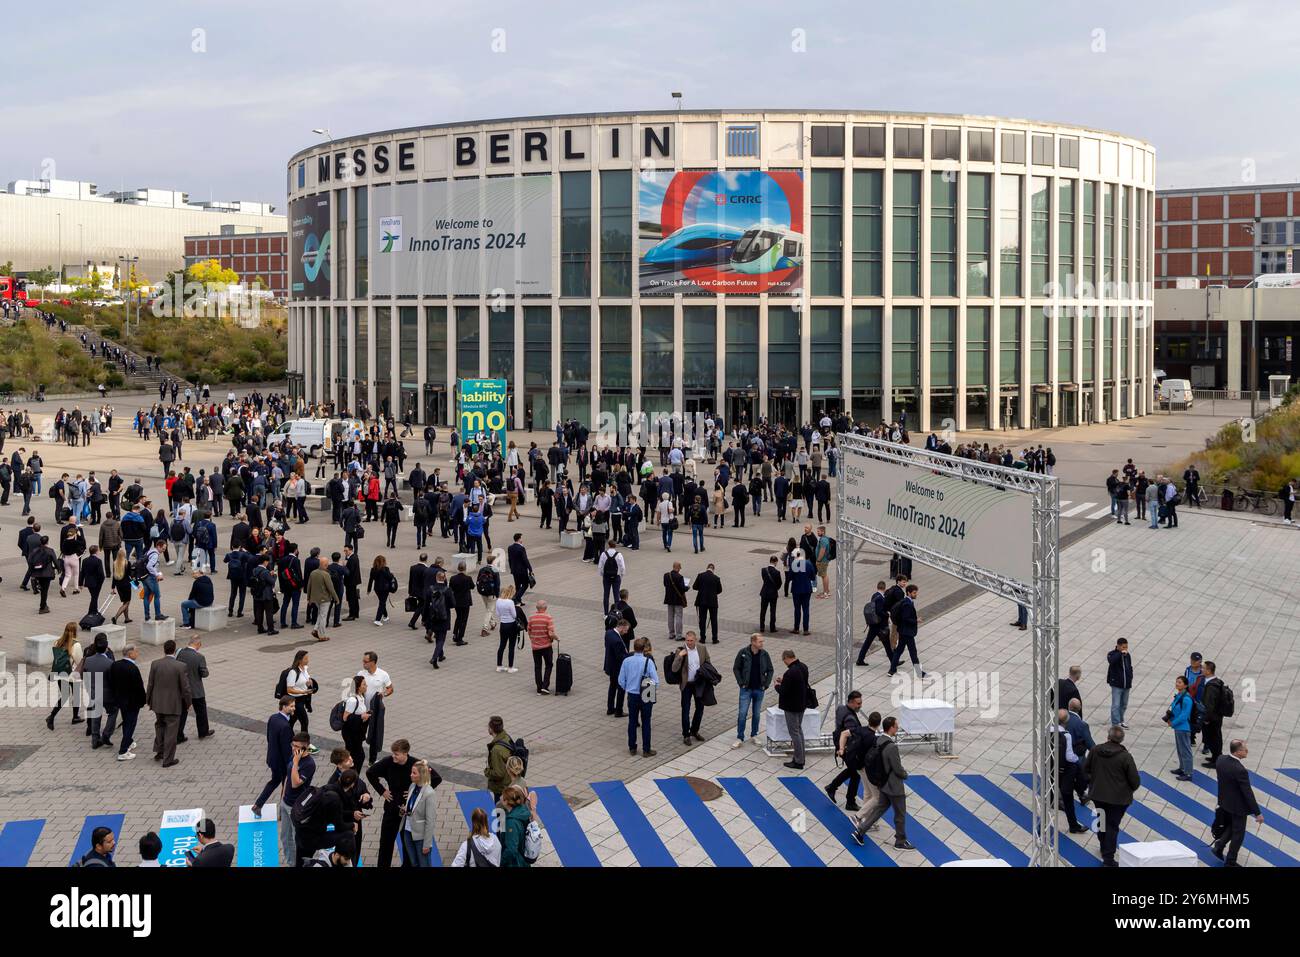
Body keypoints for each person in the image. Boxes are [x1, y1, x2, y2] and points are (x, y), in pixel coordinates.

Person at [850, 716, 916, 850]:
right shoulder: (891, 747)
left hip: (883, 784)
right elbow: (897, 769)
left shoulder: (878, 740)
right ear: (891, 728)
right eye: (896, 726)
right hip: (894, 786)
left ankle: (860, 831)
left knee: (879, 809)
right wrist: (905, 774)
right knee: (900, 814)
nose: (897, 728)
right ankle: (900, 841)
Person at [1083, 725, 1140, 867]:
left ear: (1108, 736)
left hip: (1098, 795)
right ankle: (1108, 859)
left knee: (1101, 820)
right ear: (1122, 739)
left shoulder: (1096, 750)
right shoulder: (1125, 757)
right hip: (1118, 799)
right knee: (1112, 826)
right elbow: (1135, 780)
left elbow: (1086, 769)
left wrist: (1093, 782)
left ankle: (1103, 845)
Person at [365, 739, 419, 868]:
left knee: (407, 844)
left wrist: (417, 791)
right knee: (385, 843)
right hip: (391, 808)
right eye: (393, 753)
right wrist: (382, 790)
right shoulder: (388, 762)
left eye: (397, 754)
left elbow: (435, 778)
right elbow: (370, 773)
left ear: (405, 753)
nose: (393, 756)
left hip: (409, 811)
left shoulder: (415, 764)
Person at [1212, 740, 1263, 867]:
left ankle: (1219, 845)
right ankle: (1230, 861)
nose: (1247, 751)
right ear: (1238, 751)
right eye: (1245, 749)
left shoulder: (1221, 759)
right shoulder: (1240, 770)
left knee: (1232, 827)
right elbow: (1247, 792)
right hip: (1238, 807)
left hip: (1224, 802)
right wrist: (1257, 813)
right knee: (1238, 834)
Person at [146, 638, 191, 768]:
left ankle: (159, 752)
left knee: (159, 727)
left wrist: (148, 700)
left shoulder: (155, 664)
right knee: (171, 732)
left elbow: (150, 684)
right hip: (173, 705)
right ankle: (168, 760)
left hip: (157, 703)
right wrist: (188, 703)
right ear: (174, 650)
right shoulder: (181, 666)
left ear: (164, 650)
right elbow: (185, 688)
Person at [252, 696, 296, 817]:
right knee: (286, 785)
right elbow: (286, 749)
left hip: (272, 758)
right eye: (291, 706)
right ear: (284, 707)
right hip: (281, 762)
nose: (294, 708)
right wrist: (291, 764)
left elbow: (268, 737)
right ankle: (282, 813)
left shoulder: (273, 718)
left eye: (294, 705)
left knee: (274, 781)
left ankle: (258, 805)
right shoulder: (285, 726)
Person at [824, 691, 865, 811]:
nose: (860, 706)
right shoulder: (850, 719)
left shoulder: (841, 708)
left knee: (852, 772)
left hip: (841, 747)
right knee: (855, 774)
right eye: (858, 703)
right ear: (851, 702)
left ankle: (833, 787)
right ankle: (849, 801)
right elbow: (851, 735)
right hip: (847, 750)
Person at [105, 644, 146, 761]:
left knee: (126, 722)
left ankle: (130, 741)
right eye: (136, 651)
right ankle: (123, 751)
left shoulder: (115, 665)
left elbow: (111, 681)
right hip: (133, 702)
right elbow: (139, 687)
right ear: (130, 653)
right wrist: (143, 701)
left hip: (121, 701)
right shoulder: (133, 668)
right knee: (130, 724)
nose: (138, 653)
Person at [618, 637, 658, 757]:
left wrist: (628, 687)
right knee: (646, 722)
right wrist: (651, 690)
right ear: (644, 649)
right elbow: (655, 680)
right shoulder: (648, 661)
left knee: (632, 722)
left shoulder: (627, 661)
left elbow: (621, 680)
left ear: (634, 648)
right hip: (646, 694)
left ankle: (632, 747)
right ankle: (646, 749)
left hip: (632, 695)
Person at [280, 732, 316, 866]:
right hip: (286, 803)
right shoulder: (294, 755)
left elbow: (295, 783)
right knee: (285, 837)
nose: (294, 748)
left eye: (297, 747)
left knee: (298, 840)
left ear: (305, 748)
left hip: (297, 807)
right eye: (293, 745)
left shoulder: (309, 764)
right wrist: (282, 798)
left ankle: (302, 863)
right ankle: (291, 863)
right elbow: (288, 778)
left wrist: (295, 763)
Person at [671, 630, 712, 745]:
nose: (689, 643)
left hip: (699, 683)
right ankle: (686, 734)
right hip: (687, 685)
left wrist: (704, 672)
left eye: (691, 641)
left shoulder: (702, 648)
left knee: (700, 708)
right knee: (685, 709)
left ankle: (694, 730)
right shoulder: (680, 650)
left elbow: (708, 661)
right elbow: (674, 668)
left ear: (696, 640)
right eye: (687, 640)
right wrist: (679, 656)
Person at [398, 759, 441, 867]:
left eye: (414, 773)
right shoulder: (412, 786)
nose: (411, 775)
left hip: (420, 836)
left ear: (421, 775)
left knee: (424, 864)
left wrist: (427, 844)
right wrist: (405, 809)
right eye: (411, 772)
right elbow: (412, 807)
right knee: (414, 863)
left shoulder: (429, 793)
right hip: (407, 831)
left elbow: (430, 821)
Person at [774, 649, 810, 769]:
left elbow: (783, 691)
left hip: (791, 706)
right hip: (802, 704)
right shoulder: (803, 667)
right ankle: (801, 757)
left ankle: (799, 761)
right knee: (799, 731)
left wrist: (777, 686)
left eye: (783, 660)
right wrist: (784, 682)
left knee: (794, 733)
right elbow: (798, 683)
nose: (784, 662)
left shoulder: (790, 672)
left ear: (786, 658)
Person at [46, 623, 83, 729]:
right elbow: (79, 661)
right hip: (72, 674)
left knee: (65, 696)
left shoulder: (57, 642)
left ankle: (52, 716)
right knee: (76, 695)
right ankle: (75, 717)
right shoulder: (76, 645)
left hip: (59, 673)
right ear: (75, 631)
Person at [359, 651, 393, 764]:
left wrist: (384, 694)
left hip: (375, 711)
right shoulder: (360, 673)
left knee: (374, 735)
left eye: (365, 661)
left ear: (373, 662)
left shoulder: (383, 674)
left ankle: (372, 761)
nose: (363, 663)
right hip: (362, 711)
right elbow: (354, 688)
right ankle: (356, 756)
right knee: (359, 734)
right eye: (363, 661)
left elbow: (390, 688)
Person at [176, 637, 212, 742]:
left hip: (182, 689)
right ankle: (203, 732)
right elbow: (204, 673)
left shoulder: (180, 653)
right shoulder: (199, 657)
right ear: (198, 645)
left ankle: (179, 735)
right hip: (196, 690)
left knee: (182, 713)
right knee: (200, 711)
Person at [886, 583, 924, 678]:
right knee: (913, 653)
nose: (916, 594)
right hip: (907, 632)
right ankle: (919, 673)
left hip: (903, 631)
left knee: (899, 650)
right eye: (914, 593)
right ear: (908, 593)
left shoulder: (906, 601)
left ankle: (892, 670)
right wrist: (916, 620)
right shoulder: (907, 604)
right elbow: (906, 618)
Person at [499, 785, 538, 868]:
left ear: (506, 801)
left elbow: (511, 850)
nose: (500, 797)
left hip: (515, 863)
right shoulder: (522, 810)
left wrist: (500, 862)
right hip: (523, 860)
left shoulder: (511, 822)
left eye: (503, 796)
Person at [526, 598, 558, 694]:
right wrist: (556, 638)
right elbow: (551, 633)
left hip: (535, 647)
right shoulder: (548, 618)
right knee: (549, 665)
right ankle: (545, 686)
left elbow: (529, 630)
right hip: (546, 646)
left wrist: (533, 639)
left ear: (536, 607)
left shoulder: (531, 618)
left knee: (537, 666)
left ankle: (539, 688)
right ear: (546, 608)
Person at [1166, 674, 1195, 781]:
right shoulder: (1179, 695)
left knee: (1185, 750)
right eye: (1176, 682)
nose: (1177, 684)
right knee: (1180, 749)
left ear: (1185, 685)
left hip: (1183, 727)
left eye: (1180, 682)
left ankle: (1188, 773)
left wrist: (1173, 723)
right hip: (1178, 727)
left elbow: (1184, 715)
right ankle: (1182, 768)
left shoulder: (1186, 699)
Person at [1200, 660, 1228, 767]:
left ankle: (1217, 760)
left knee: (1213, 737)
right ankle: (1215, 757)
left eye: (1203, 668)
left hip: (1213, 718)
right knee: (1215, 736)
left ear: (1208, 671)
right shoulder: (1216, 682)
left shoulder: (1211, 686)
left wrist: (1206, 718)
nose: (1201, 669)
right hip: (1216, 716)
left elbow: (1209, 704)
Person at [340, 675, 370, 772]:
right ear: (358, 687)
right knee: (358, 756)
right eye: (364, 684)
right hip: (351, 734)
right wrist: (361, 717)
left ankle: (349, 774)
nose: (366, 686)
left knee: (355, 756)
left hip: (357, 732)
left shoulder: (361, 697)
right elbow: (345, 717)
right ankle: (351, 775)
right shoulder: (352, 700)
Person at [306, 556, 339, 642]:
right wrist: (336, 598)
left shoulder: (313, 573)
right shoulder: (325, 574)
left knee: (320, 614)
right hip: (324, 599)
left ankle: (315, 630)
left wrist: (308, 598)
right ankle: (322, 635)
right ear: (325, 565)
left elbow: (309, 586)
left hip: (315, 599)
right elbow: (331, 588)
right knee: (323, 616)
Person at [603, 618, 630, 717]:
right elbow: (620, 657)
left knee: (612, 687)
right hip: (617, 668)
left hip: (610, 665)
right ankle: (619, 710)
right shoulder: (617, 640)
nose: (626, 632)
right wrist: (630, 656)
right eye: (626, 630)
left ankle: (610, 708)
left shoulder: (609, 633)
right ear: (621, 627)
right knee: (621, 689)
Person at [484, 716, 516, 799]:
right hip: (510, 781)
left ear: (491, 729)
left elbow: (498, 774)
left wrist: (487, 772)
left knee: (501, 810)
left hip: (501, 788)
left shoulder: (496, 750)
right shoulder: (506, 737)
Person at [858, 580, 888, 665]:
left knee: (868, 642)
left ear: (877, 587)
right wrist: (886, 615)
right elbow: (879, 611)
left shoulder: (874, 595)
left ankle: (860, 659)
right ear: (884, 588)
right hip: (878, 624)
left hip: (873, 623)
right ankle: (894, 661)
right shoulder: (881, 598)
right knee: (886, 643)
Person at [692, 563, 723, 644]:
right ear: (713, 569)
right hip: (713, 602)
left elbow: (694, 587)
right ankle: (714, 639)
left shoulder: (700, 576)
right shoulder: (716, 578)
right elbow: (720, 590)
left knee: (702, 620)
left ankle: (702, 638)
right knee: (714, 620)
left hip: (702, 601)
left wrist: (702, 589)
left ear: (707, 568)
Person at [494, 583, 521, 673]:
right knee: (511, 646)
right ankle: (510, 667)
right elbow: (514, 615)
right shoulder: (510, 602)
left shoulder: (498, 601)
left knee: (502, 645)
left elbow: (497, 614)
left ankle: (499, 665)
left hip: (503, 624)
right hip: (511, 625)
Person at [1106, 638, 1133, 728]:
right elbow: (1112, 661)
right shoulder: (1112, 654)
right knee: (1116, 705)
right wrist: (1120, 654)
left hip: (1126, 684)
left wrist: (1130, 677)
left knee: (1124, 704)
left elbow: (1130, 666)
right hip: (1116, 685)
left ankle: (1121, 720)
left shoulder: (1127, 655)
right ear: (1118, 646)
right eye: (1123, 647)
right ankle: (1115, 723)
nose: (1125, 649)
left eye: (1126, 647)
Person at [367, 554, 397, 626]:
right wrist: (392, 574)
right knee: (382, 603)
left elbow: (370, 580)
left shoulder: (373, 569)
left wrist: (369, 589)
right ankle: (377, 619)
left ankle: (385, 616)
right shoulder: (385, 569)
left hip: (377, 589)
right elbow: (390, 577)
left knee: (382, 602)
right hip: (384, 589)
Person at [663, 561, 687, 643]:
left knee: (670, 616)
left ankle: (671, 633)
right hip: (678, 600)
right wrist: (687, 587)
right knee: (678, 617)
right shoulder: (679, 577)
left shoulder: (666, 575)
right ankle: (678, 635)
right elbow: (682, 589)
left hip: (669, 599)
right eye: (680, 567)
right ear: (678, 567)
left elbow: (665, 585)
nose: (680, 569)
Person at [597, 542, 625, 614]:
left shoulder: (604, 554)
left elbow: (600, 566)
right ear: (615, 546)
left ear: (608, 545)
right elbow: (622, 567)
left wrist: (602, 574)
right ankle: (616, 612)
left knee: (606, 595)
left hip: (606, 577)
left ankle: (606, 613)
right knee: (616, 595)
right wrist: (621, 575)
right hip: (616, 577)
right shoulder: (619, 555)